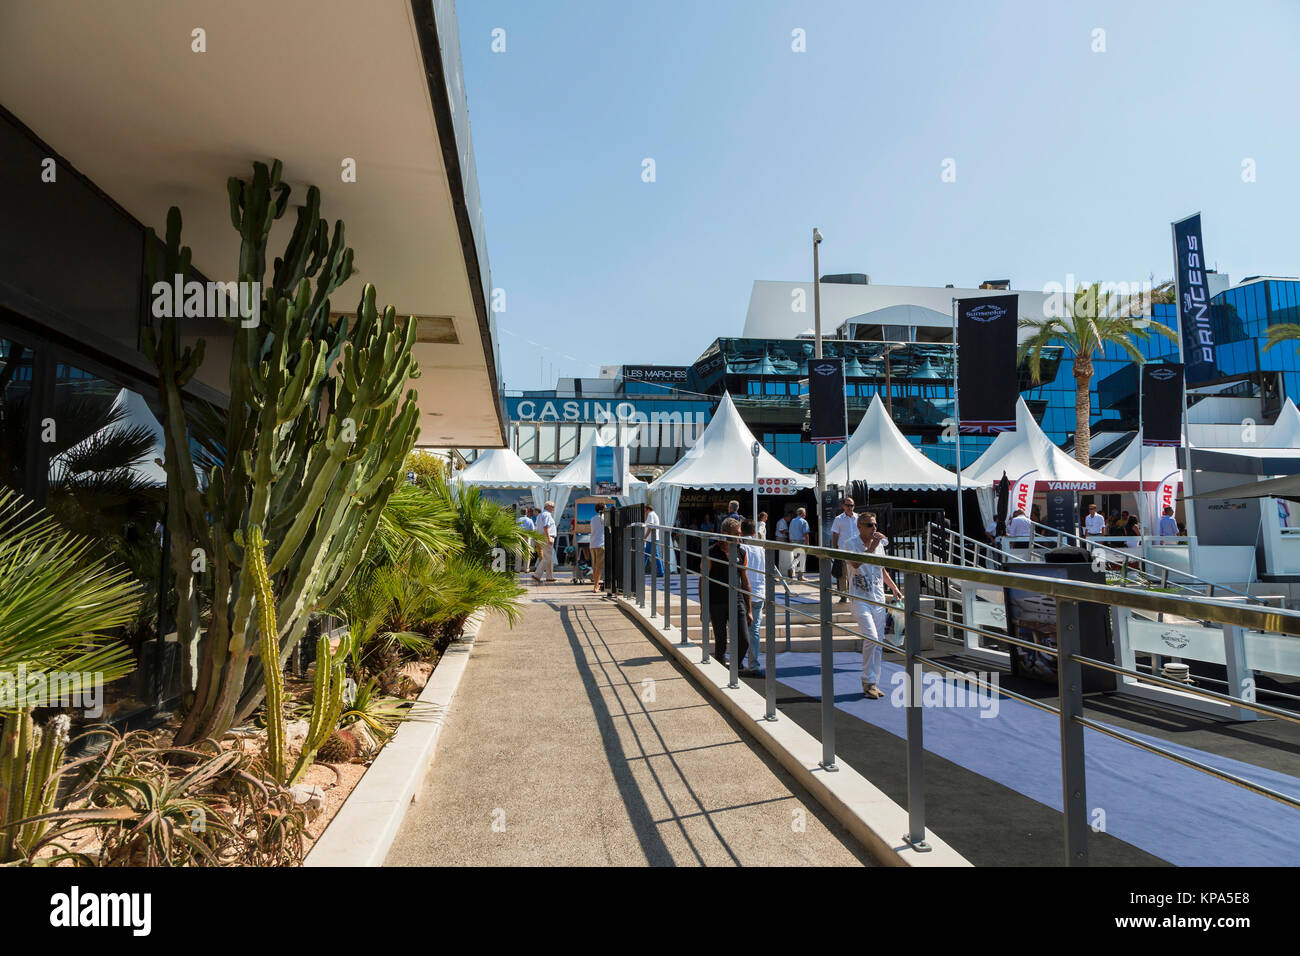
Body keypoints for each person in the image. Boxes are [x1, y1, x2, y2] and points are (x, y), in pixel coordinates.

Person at [844, 512, 902, 699]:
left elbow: (881, 568)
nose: (873, 529)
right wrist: (873, 547)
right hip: (859, 597)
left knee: (878, 642)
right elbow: (855, 563)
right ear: (859, 526)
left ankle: (873, 682)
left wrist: (893, 588)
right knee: (870, 636)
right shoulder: (850, 544)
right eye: (869, 525)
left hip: (877, 598)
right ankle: (867, 680)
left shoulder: (879, 547)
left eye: (875, 525)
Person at [700, 517, 755, 673]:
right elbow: (702, 581)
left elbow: (745, 581)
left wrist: (749, 609)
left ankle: (735, 667)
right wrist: (704, 608)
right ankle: (721, 673)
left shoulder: (741, 551)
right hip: (716, 601)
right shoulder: (710, 552)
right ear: (724, 534)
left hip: (737, 600)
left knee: (744, 640)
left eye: (740, 534)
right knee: (721, 643)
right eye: (736, 534)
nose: (739, 537)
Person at [739, 519, 766, 670]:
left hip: (744, 592)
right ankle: (754, 663)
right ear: (754, 532)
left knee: (739, 629)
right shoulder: (761, 549)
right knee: (754, 630)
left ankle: (739, 661)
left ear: (741, 532)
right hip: (759, 592)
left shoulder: (741, 548)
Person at [830, 496, 857, 603]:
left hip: (856, 550)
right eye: (848, 505)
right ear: (843, 506)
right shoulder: (838, 519)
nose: (850, 507)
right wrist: (835, 548)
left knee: (855, 573)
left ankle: (853, 594)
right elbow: (835, 535)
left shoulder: (858, 518)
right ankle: (843, 595)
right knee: (842, 574)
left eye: (852, 505)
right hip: (843, 550)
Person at [532, 501, 558, 583]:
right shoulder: (547, 515)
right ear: (548, 507)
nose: (553, 509)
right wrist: (549, 537)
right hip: (547, 537)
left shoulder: (540, 515)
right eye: (552, 507)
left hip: (542, 537)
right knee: (547, 558)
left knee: (549, 558)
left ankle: (549, 576)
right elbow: (545, 526)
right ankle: (537, 575)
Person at [589, 503, 606, 593]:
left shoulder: (593, 518)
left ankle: (596, 585)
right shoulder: (604, 518)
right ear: (603, 509)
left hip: (592, 544)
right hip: (601, 544)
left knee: (595, 566)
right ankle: (596, 586)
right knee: (599, 566)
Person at [644, 502, 663, 576]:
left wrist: (645, 537)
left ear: (648, 509)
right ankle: (641, 570)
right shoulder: (653, 514)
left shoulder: (650, 515)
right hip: (651, 539)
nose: (644, 511)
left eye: (645, 509)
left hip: (651, 539)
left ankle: (661, 572)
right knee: (646, 555)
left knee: (654, 555)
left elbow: (650, 527)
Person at [515, 506, 534, 573]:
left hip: (519, 537)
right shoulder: (530, 520)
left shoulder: (517, 520)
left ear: (520, 512)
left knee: (518, 554)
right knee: (527, 554)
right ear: (526, 513)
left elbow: (515, 530)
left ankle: (517, 569)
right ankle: (526, 569)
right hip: (527, 537)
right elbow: (532, 530)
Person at [775, 508, 793, 578]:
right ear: (787, 517)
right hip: (780, 538)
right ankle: (779, 569)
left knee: (782, 554)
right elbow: (781, 531)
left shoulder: (784, 522)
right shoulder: (782, 521)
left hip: (782, 538)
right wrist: (789, 531)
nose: (790, 519)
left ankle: (781, 569)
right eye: (789, 518)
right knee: (781, 554)